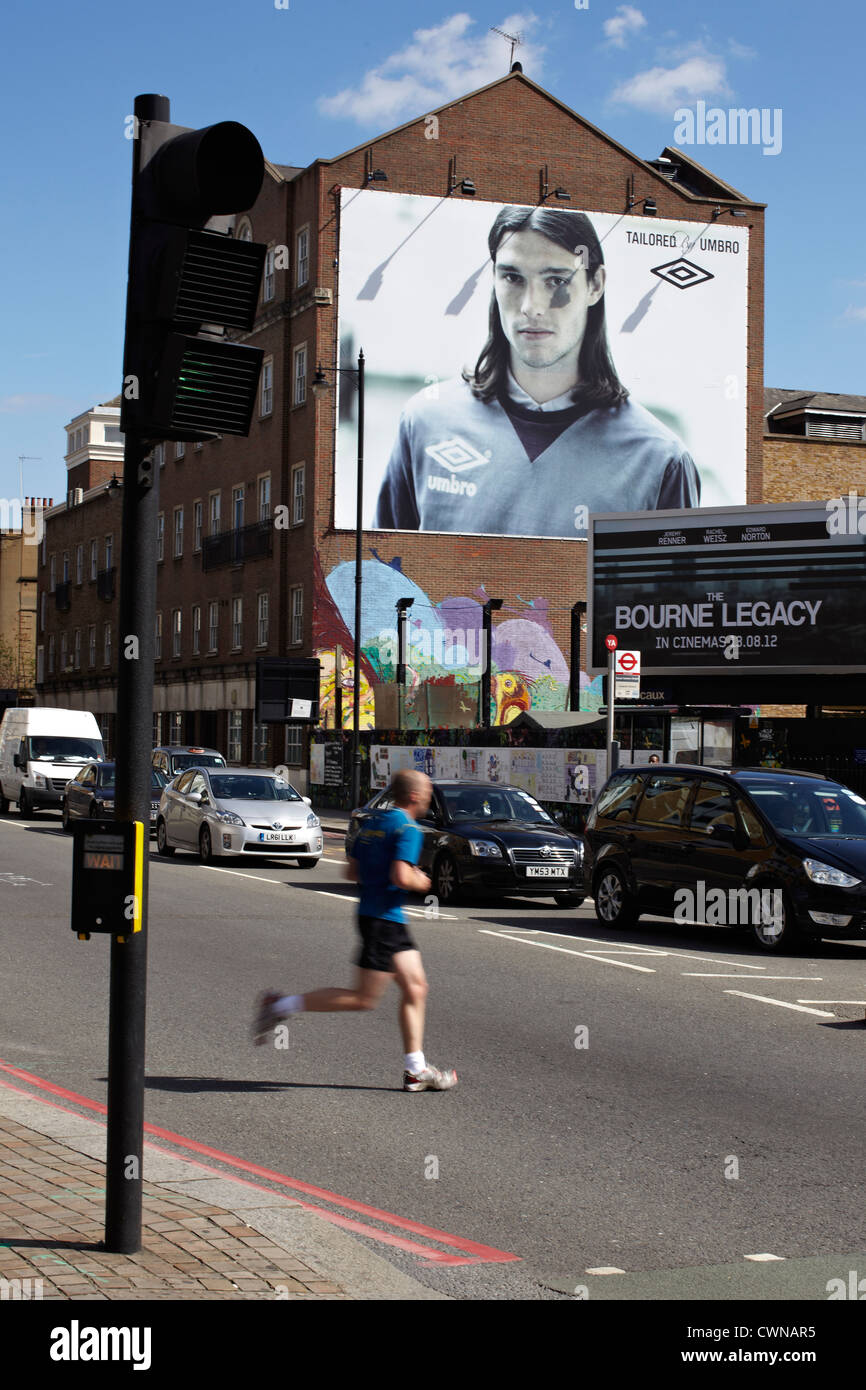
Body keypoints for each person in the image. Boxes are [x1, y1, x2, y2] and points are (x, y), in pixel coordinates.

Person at [374, 205, 700, 540]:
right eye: (513, 278)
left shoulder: (659, 461)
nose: (531, 306)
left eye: (556, 280)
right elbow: (380, 576)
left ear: (595, 285)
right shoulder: (425, 422)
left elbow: (676, 592)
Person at [252, 769, 457, 1093]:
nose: (430, 798)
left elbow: (351, 871)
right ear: (415, 796)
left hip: (383, 916)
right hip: (383, 922)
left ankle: (416, 1069)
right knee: (362, 999)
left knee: (416, 988)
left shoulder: (373, 824)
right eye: (428, 793)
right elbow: (402, 876)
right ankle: (280, 1006)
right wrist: (421, 879)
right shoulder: (408, 829)